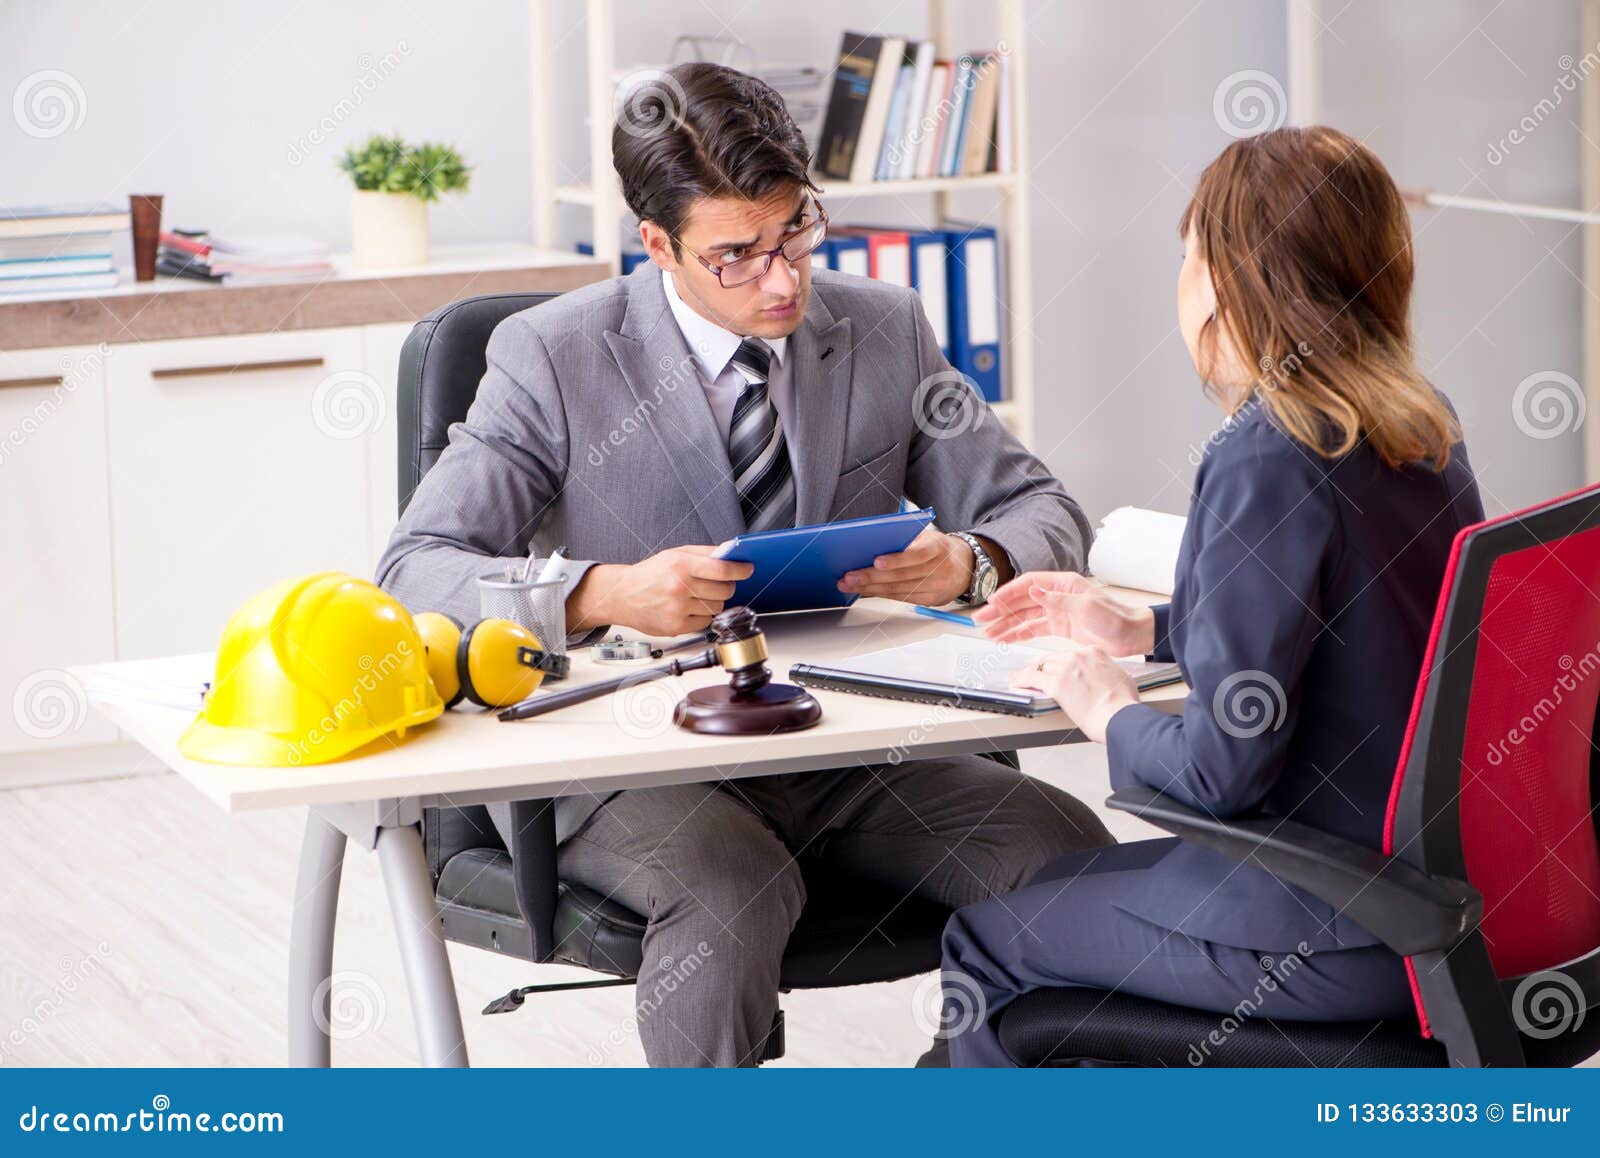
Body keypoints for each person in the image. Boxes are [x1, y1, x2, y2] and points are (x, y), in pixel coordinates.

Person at [377, 62, 1112, 1066]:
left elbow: (1043, 510)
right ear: (658, 245)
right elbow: (414, 567)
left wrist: (971, 561)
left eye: (795, 234)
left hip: (844, 750)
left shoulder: (884, 328)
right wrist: (601, 592)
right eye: (735, 255)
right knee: (734, 891)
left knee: (1063, 854)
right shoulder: (551, 355)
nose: (783, 281)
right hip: (632, 766)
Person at [938, 125, 1487, 1067]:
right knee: (1062, 883)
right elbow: (1362, 630)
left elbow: (1220, 774)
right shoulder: (1418, 422)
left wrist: (1105, 708)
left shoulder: (1269, 453)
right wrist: (1149, 628)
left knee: (985, 939)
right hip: (1450, 897)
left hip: (1335, 928)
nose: (1183, 281)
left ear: (1236, 281)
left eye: (1190, 255)